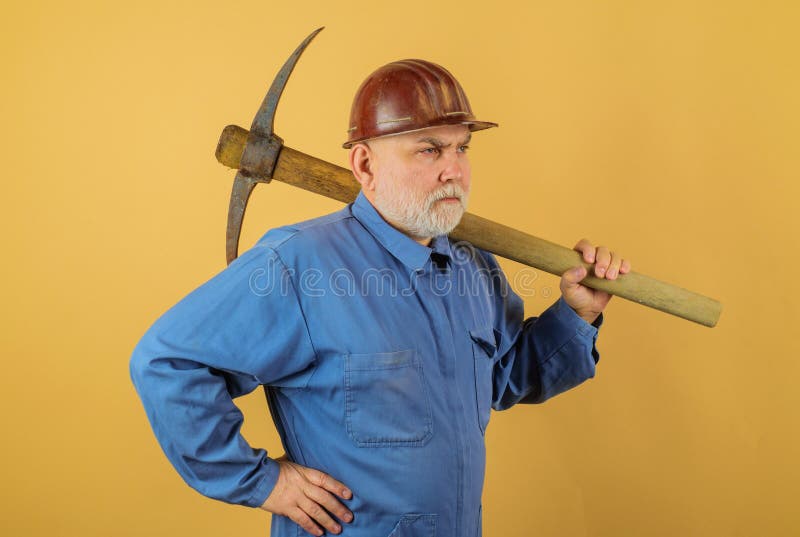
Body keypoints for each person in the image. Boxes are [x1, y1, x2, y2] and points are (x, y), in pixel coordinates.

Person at [130, 59, 631, 537]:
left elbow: (501, 378)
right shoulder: (300, 265)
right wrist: (262, 482)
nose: (453, 170)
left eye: (461, 149)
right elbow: (166, 362)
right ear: (365, 164)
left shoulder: (472, 265)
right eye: (429, 150)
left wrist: (576, 314)